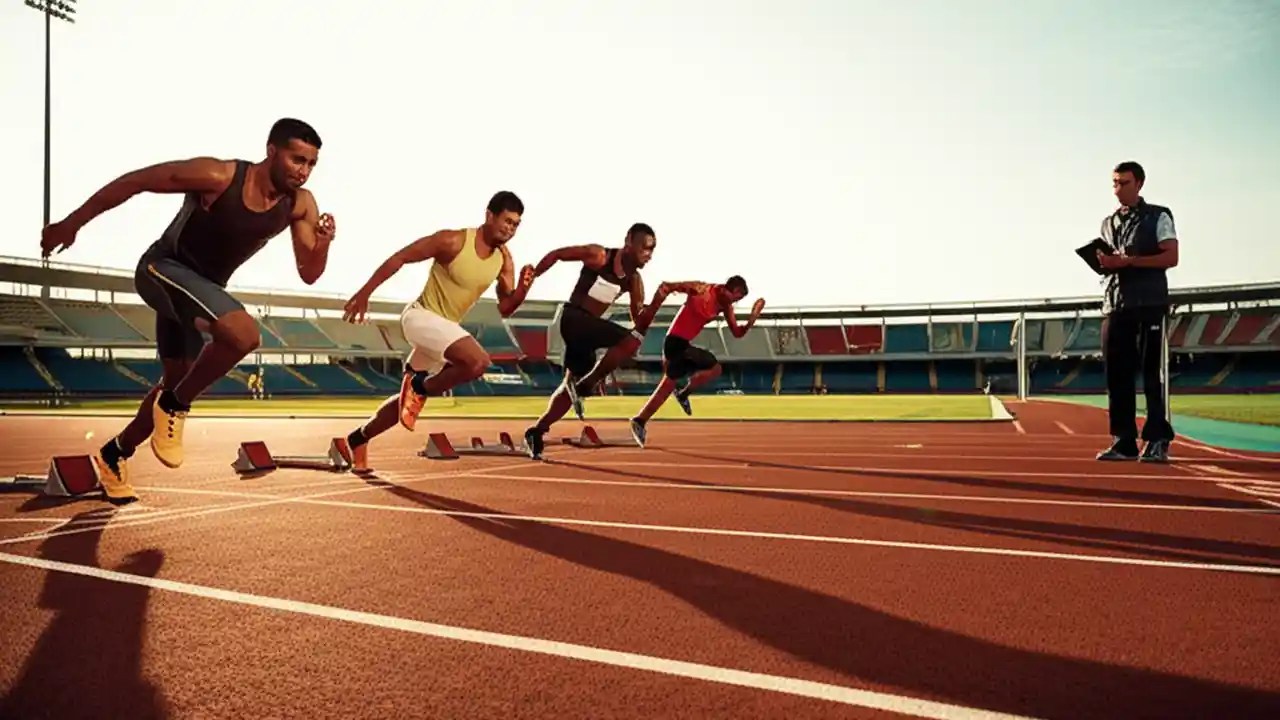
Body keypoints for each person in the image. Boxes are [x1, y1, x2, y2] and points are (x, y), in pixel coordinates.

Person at [38, 118, 333, 505]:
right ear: (272, 151)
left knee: (175, 379)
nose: (304, 171)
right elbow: (137, 180)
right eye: (298, 160)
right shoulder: (219, 176)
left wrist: (324, 243)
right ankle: (176, 406)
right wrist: (71, 224)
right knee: (243, 334)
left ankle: (114, 453)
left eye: (311, 164)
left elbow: (309, 273)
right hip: (162, 270)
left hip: (202, 292)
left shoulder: (300, 204)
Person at [340, 191, 535, 473]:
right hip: (420, 317)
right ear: (489, 215)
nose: (510, 229)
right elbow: (401, 257)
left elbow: (506, 307)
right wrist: (364, 293)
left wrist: (522, 292)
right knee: (477, 362)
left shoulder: (504, 260)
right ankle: (422, 386)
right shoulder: (453, 240)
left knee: (405, 404)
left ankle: (357, 438)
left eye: (516, 224)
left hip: (443, 331)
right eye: (506, 221)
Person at [522, 223, 658, 459]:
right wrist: (534, 275)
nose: (649, 255)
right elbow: (558, 254)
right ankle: (588, 384)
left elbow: (638, 318)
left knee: (568, 388)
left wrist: (655, 303)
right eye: (645, 248)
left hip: (589, 334)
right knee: (630, 341)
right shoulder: (599, 256)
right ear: (629, 242)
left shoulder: (634, 281)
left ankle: (536, 431)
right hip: (573, 319)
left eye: (652, 250)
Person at [1093, 161, 1179, 463]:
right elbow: (1111, 262)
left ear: (1140, 183)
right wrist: (1105, 263)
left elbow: (1171, 257)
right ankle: (1124, 441)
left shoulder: (1159, 215)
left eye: (1124, 183)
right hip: (1115, 305)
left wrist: (1128, 262)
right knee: (1116, 376)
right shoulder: (1108, 222)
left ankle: (1157, 438)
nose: (1118, 189)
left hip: (1149, 303)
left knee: (1151, 375)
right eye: (1114, 183)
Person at [627, 276, 764, 446]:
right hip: (674, 342)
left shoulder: (725, 306)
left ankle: (645, 417)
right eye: (736, 297)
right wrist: (651, 309)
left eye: (739, 300)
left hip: (683, 345)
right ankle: (644, 418)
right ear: (727, 289)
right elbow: (669, 286)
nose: (735, 302)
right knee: (676, 380)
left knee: (705, 372)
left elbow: (737, 332)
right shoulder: (701, 289)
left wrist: (751, 321)